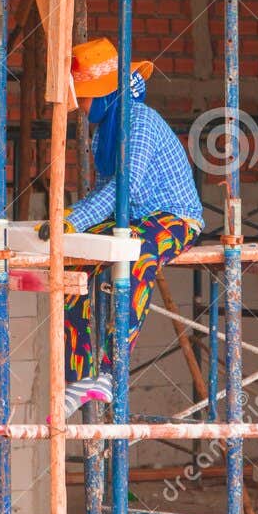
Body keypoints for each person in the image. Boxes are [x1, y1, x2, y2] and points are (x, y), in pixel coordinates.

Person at [48, 37, 204, 416]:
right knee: (75, 258)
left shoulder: (139, 122)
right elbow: (107, 194)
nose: (81, 107)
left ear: (103, 95)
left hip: (173, 218)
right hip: (132, 221)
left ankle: (111, 369)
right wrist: (71, 231)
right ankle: (80, 375)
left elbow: (122, 189)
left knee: (133, 253)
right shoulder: (107, 132)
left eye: (84, 98)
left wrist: (72, 218)